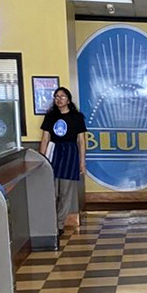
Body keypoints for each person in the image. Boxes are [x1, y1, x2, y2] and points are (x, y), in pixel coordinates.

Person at [39, 87, 87, 235]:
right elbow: (45, 138)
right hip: (54, 152)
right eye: (56, 97)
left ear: (69, 99)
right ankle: (50, 223)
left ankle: (59, 225)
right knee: (52, 192)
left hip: (70, 154)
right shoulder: (50, 116)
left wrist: (82, 161)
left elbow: (81, 140)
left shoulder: (77, 117)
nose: (59, 99)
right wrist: (42, 159)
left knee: (65, 192)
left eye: (62, 96)